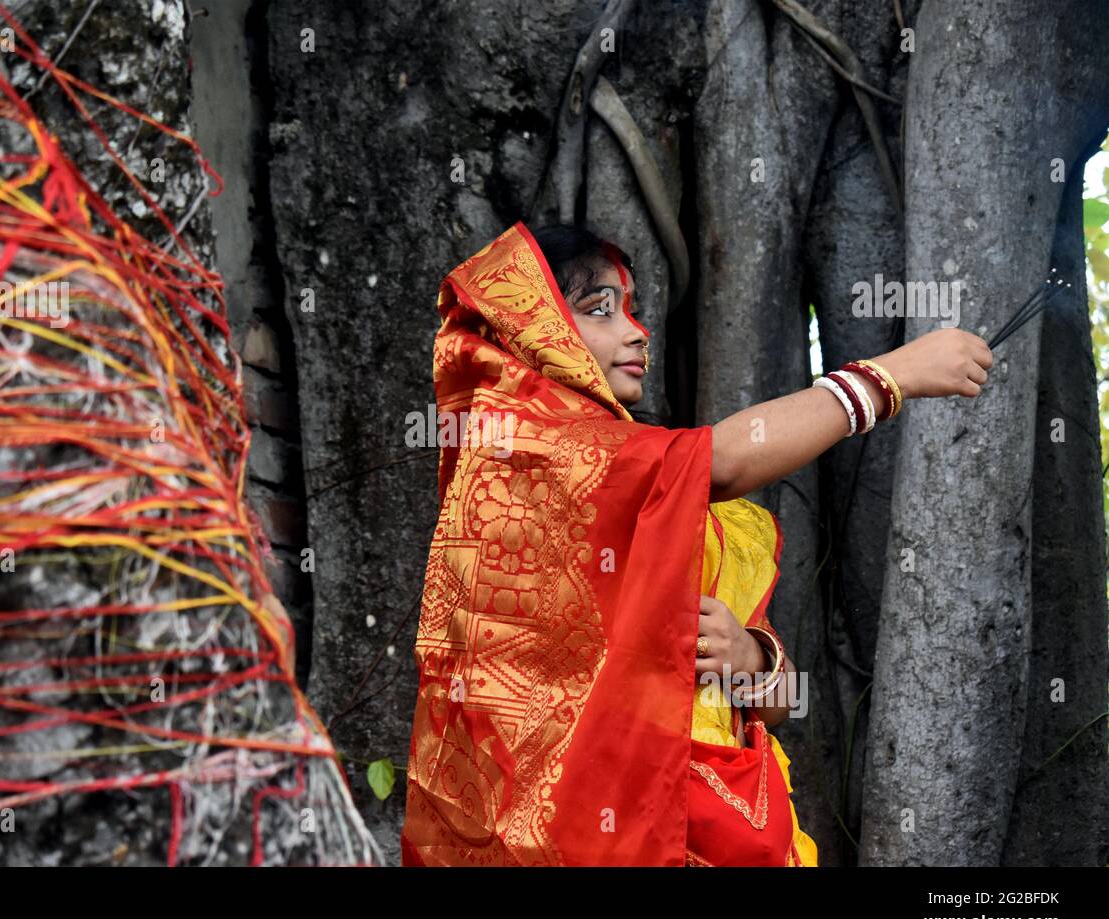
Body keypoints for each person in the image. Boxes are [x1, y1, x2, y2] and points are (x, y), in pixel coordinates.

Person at [400, 220, 992, 866]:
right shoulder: (522, 456)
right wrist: (890, 376)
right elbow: (728, 461)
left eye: (633, 310)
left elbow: (777, 704)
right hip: (595, 833)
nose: (637, 332)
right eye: (601, 310)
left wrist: (751, 658)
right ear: (529, 327)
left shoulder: (648, 485)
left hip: (721, 810)